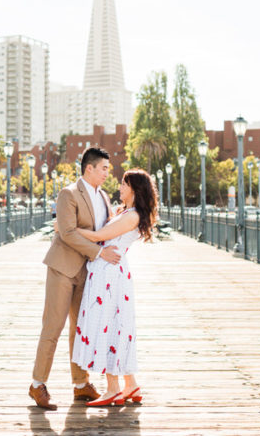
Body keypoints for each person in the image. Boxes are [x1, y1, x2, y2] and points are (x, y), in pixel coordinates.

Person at [29, 147, 122, 411]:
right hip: (63, 268)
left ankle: (81, 385)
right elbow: (68, 233)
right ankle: (37, 384)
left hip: (88, 273)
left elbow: (105, 229)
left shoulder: (103, 196)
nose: (107, 173)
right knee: (53, 327)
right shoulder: (68, 193)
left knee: (80, 331)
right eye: (104, 168)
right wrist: (100, 253)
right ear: (89, 168)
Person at [71, 169, 158, 407]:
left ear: (134, 189)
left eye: (123, 183)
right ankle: (130, 384)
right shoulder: (126, 212)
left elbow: (99, 235)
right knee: (117, 325)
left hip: (110, 274)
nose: (119, 187)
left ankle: (112, 389)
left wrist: (68, 230)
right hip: (107, 272)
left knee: (107, 325)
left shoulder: (132, 216)